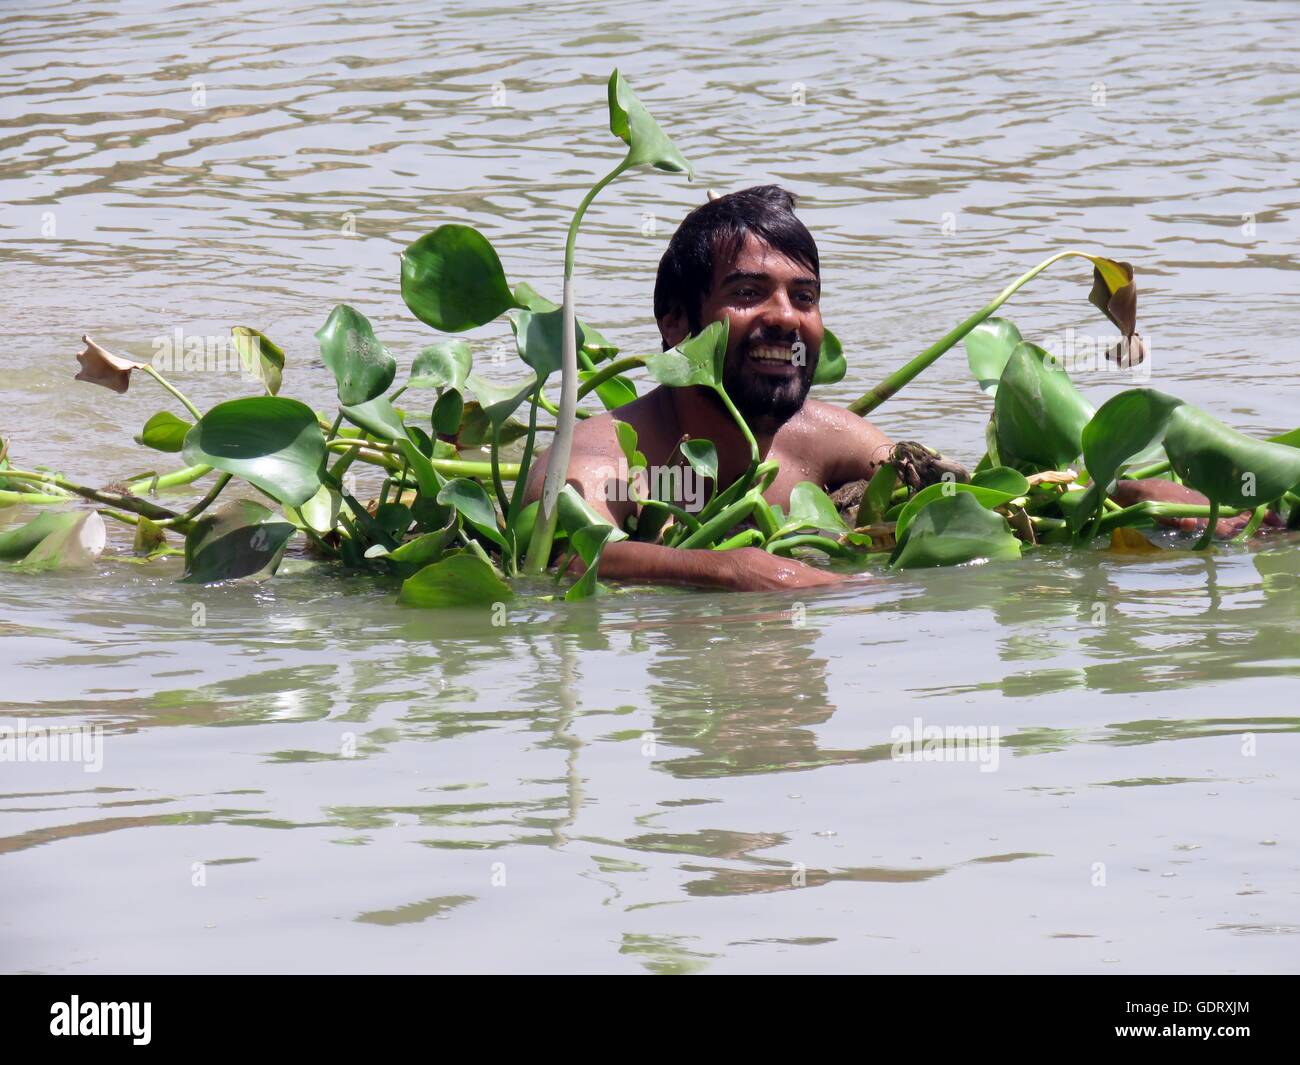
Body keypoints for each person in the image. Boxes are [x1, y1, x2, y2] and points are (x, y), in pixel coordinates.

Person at [525, 185, 891, 591]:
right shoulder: (601, 460)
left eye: (804, 297)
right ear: (675, 321)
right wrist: (731, 570)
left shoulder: (831, 439)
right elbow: (574, 558)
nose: (787, 317)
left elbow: (938, 491)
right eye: (748, 292)